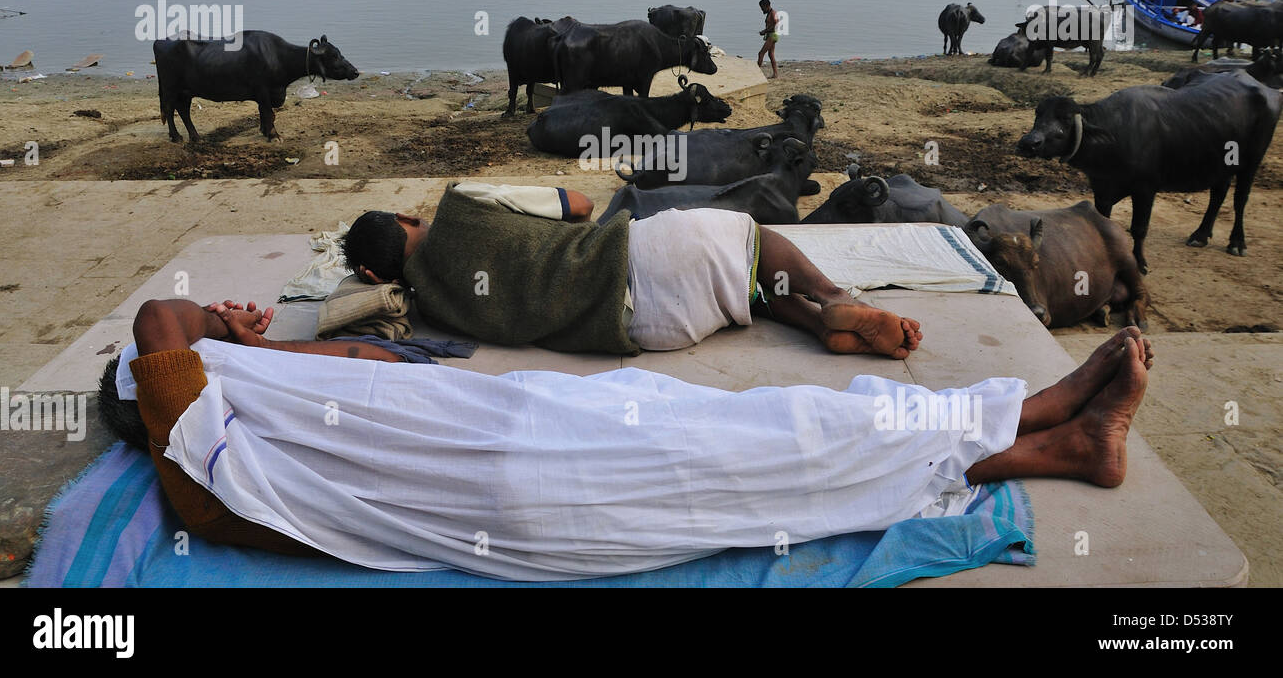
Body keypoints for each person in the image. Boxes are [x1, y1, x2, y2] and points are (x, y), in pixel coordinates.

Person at [110, 296, 1152, 579]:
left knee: (772, 469)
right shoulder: (204, 459)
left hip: (532, 462)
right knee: (785, 431)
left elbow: (367, 371)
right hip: (529, 469)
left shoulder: (240, 449)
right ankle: (1027, 412)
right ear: (162, 401)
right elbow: (162, 315)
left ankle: (1048, 436)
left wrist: (246, 340)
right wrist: (209, 332)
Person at [343, 181, 923, 359]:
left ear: (377, 277)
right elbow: (579, 205)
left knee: (745, 286)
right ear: (405, 216)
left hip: (649, 330)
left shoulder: (431, 308)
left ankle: (825, 327)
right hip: (638, 258)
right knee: (749, 239)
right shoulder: (461, 202)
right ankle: (834, 295)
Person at [757, 0, 780, 78]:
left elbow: (776, 23)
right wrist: (765, 31)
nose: (762, 10)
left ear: (767, 6)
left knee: (761, 53)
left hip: (772, 35)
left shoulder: (773, 13)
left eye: (762, 8)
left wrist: (765, 31)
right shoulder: (770, 13)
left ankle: (756, 74)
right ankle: (775, 74)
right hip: (771, 35)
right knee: (771, 54)